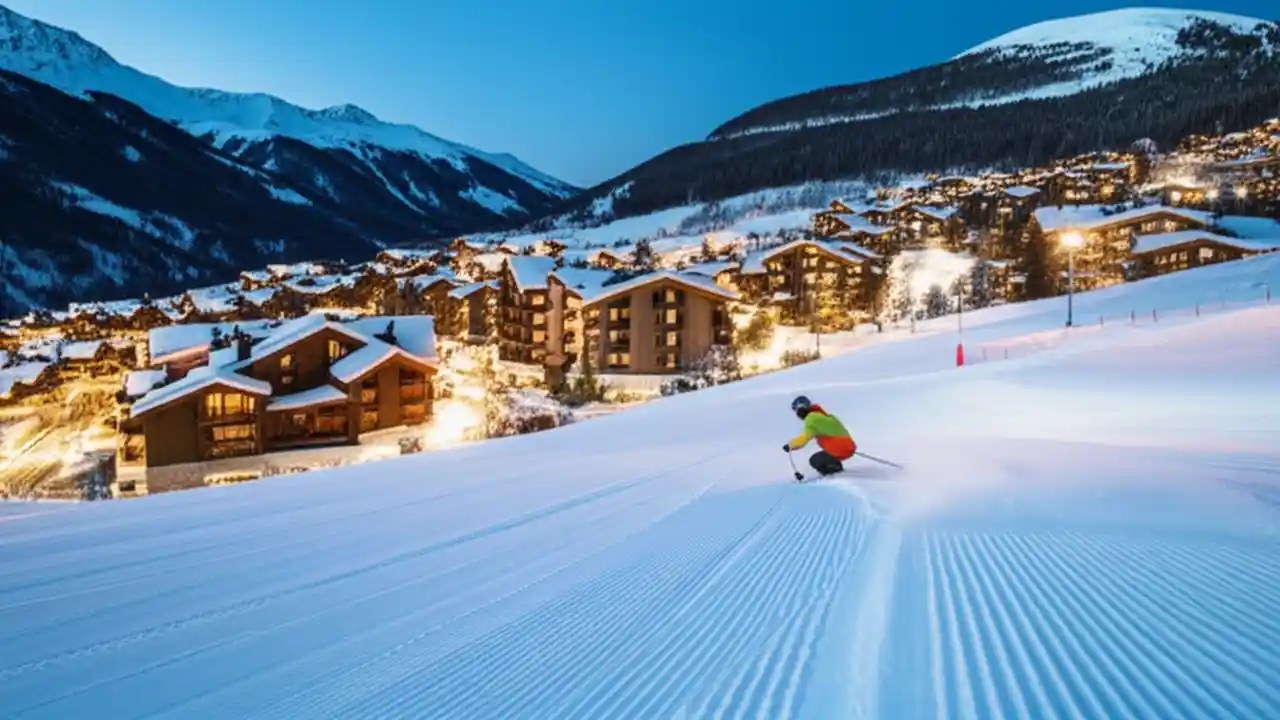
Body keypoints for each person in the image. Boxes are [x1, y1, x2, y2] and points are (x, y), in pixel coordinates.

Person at [783, 395, 856, 476]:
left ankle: (834, 473)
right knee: (824, 456)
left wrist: (790, 445)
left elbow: (804, 438)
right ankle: (835, 466)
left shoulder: (811, 419)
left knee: (814, 460)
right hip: (849, 447)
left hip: (839, 449)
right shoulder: (826, 416)